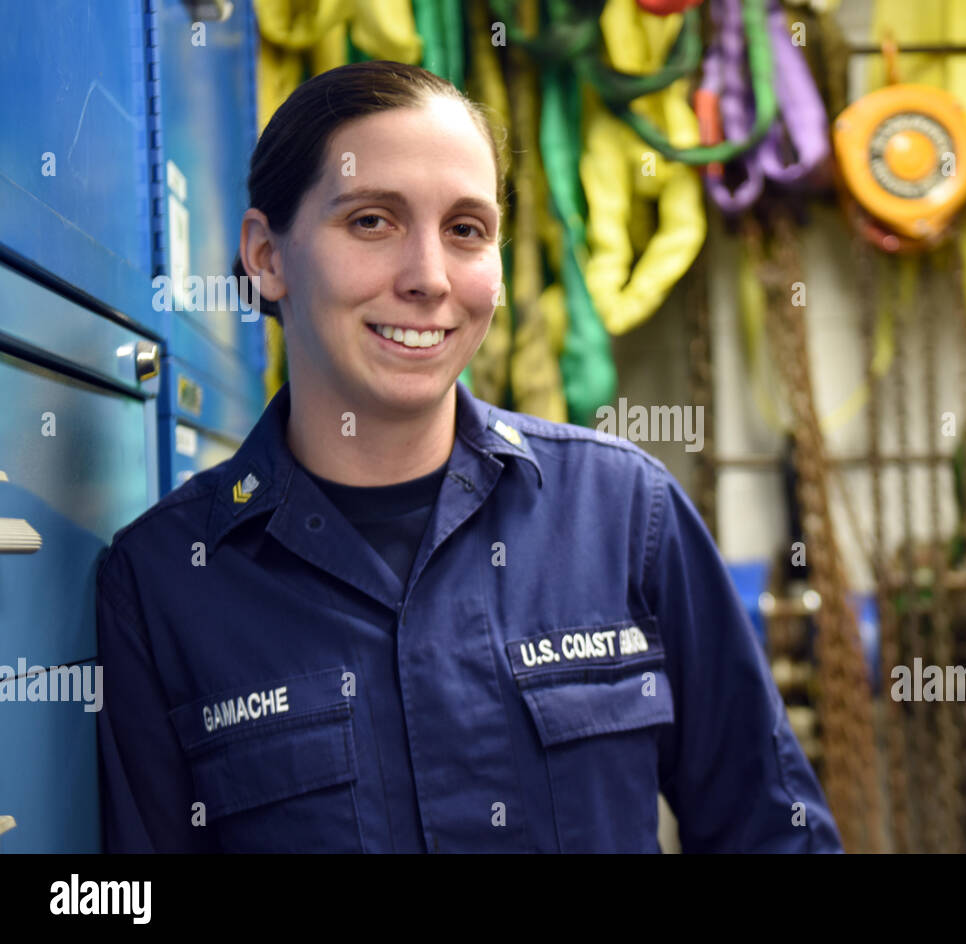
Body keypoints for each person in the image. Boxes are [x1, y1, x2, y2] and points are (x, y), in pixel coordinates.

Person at [95, 61, 841, 853]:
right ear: (266, 256)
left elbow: (776, 833)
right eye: (372, 222)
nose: (428, 277)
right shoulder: (166, 581)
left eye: (466, 230)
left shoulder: (624, 512)